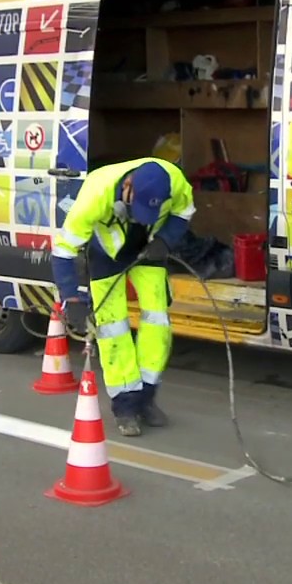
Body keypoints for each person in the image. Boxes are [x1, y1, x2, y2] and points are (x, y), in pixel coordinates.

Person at [51, 157, 195, 437]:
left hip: (149, 249)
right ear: (127, 188)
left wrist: (165, 240)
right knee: (112, 328)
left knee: (157, 321)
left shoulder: (174, 181)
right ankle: (125, 406)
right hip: (108, 255)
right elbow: (63, 251)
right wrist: (72, 300)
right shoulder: (95, 194)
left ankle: (146, 397)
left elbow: (184, 212)